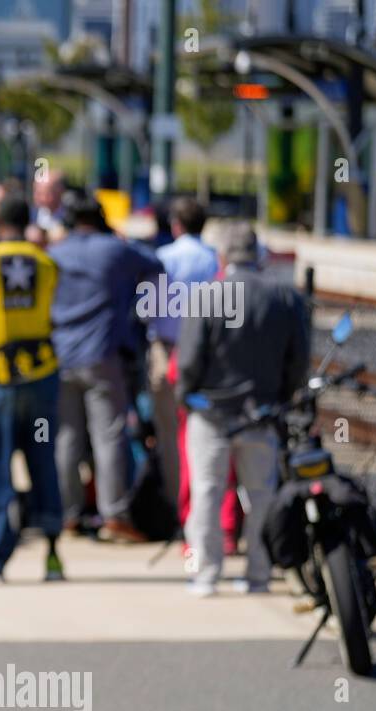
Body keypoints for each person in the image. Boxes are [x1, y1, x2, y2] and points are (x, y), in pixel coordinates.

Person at [177, 223, 309, 596]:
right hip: (262, 412)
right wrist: (282, 396)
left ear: (222, 257)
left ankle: (205, 574)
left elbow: (189, 359)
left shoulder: (207, 296)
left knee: (207, 492)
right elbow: (297, 360)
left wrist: (185, 395)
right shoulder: (284, 297)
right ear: (259, 256)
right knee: (261, 496)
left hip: (211, 412)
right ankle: (258, 573)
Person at [48, 195, 161, 543]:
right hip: (101, 354)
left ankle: (67, 514)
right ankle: (113, 515)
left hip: (60, 354)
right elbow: (155, 265)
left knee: (66, 437)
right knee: (108, 435)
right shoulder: (114, 250)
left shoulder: (55, 252)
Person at [0, 196, 64, 582]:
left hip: (0, 377)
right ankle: (54, 553)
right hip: (42, 373)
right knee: (44, 462)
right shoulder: (46, 261)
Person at [153, 196, 219, 511]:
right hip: (210, 356)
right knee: (206, 433)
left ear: (175, 225)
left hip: (169, 350)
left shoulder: (162, 257)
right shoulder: (215, 259)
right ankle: (206, 503)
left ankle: (177, 501)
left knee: (170, 434)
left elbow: (148, 310)